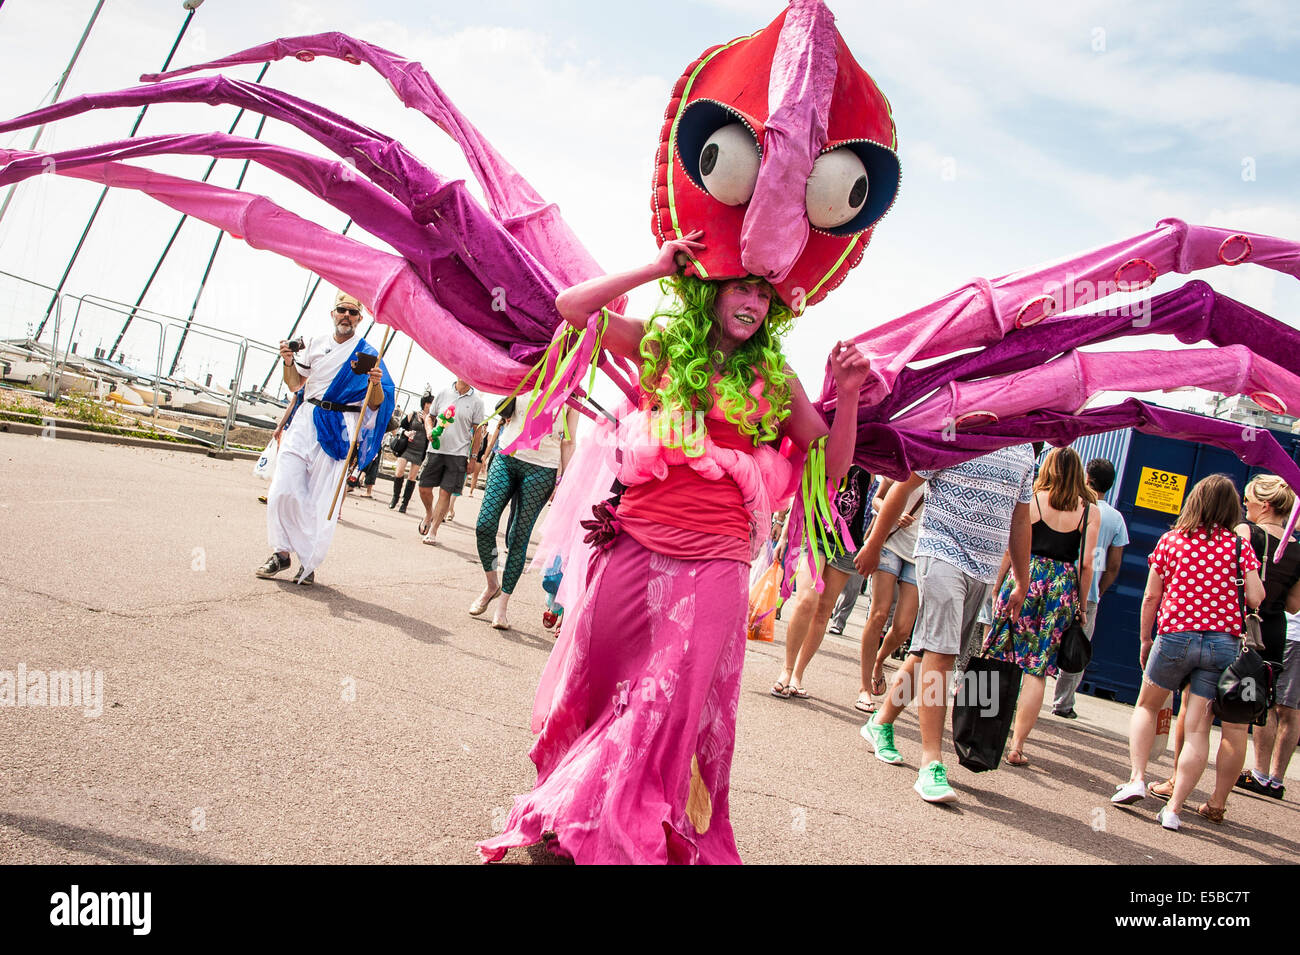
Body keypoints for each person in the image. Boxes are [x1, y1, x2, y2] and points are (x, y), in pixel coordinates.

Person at [478, 231, 870, 864]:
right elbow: (573, 309)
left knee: (666, 695)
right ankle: (580, 805)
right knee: (603, 678)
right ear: (710, 289)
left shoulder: (775, 377)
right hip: (635, 540)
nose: (754, 302)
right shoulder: (662, 345)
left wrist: (847, 394)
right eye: (742, 286)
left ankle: (616, 823)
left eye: (765, 295)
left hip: (717, 557)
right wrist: (654, 266)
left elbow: (830, 466)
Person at [856, 446, 1035, 804]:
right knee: (943, 655)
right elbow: (902, 488)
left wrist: (1021, 578)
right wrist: (874, 542)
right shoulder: (957, 430)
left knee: (927, 653)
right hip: (940, 552)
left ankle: (881, 722)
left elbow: (1019, 519)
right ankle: (931, 764)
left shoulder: (1026, 448)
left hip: (983, 570)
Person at [1111, 474, 1264, 831]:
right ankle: (1175, 809)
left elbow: (1151, 596)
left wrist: (1145, 639)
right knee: (1197, 729)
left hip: (1175, 636)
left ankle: (1136, 777)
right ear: (1231, 508)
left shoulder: (1171, 541)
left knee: (1148, 705)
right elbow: (1256, 598)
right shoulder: (1240, 547)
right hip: (1223, 644)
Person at [1151, 475, 1300, 809]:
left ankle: (1177, 781)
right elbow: (1293, 605)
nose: (1243, 506)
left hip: (1235, 631)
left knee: (1193, 709)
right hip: (1269, 639)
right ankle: (1218, 803)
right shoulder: (1298, 548)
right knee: (1238, 722)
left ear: (1265, 505)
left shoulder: (1246, 533)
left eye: (1248, 500)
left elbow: (1234, 583)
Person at [255, 291, 395, 585]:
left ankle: (307, 561)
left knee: (318, 499)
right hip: (306, 419)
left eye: (353, 312)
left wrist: (376, 382)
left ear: (359, 318)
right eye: (342, 310)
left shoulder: (365, 353)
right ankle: (280, 553)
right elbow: (295, 384)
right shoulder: (315, 344)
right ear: (333, 314)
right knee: (282, 489)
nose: (346, 316)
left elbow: (374, 403)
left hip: (339, 426)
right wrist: (288, 361)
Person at [982, 447, 1099, 767]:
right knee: (1037, 668)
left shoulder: (1033, 500)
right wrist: (1082, 605)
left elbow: (1012, 544)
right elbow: (1087, 563)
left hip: (1026, 576)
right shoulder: (1089, 511)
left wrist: (998, 584)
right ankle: (1017, 745)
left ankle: (984, 728)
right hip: (1060, 587)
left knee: (998, 655)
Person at [471, 391, 577, 631]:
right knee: (484, 525)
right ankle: (491, 585)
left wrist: (566, 482)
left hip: (542, 469)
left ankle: (502, 608)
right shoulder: (525, 374)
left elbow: (568, 441)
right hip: (507, 457)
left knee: (518, 537)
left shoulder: (573, 395)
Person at [772, 465, 872, 700]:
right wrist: (785, 535)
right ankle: (786, 670)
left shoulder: (873, 444)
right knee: (807, 600)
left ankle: (797, 675)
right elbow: (803, 490)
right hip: (814, 532)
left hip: (847, 542)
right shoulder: (828, 437)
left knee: (823, 611)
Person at [1052, 457, 1128, 718]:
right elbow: (1114, 565)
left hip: (1057, 584)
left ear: (1086, 479)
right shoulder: (1116, 518)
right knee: (1076, 647)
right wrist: (1098, 588)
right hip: (1090, 592)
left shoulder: (1071, 504)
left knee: (1043, 641)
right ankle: (1063, 704)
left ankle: (1026, 690)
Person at [855, 476, 925, 713]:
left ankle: (879, 659)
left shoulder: (951, 463)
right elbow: (876, 498)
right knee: (879, 613)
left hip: (920, 551)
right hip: (891, 543)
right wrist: (893, 513)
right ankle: (864, 688)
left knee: (904, 628)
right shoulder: (907, 458)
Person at [416, 378, 486, 545]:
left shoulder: (477, 402)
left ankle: (433, 531)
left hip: (458, 454)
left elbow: (477, 432)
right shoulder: (443, 393)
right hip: (435, 450)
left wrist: (473, 457)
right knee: (424, 488)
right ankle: (428, 513)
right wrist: (429, 430)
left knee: (445, 492)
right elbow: (429, 417)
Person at [389, 394, 432, 512]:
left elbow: (433, 435)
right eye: (430, 403)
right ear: (425, 404)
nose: (432, 406)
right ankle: (395, 497)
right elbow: (401, 427)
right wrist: (406, 433)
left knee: (412, 477)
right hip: (407, 448)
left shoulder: (432, 420)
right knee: (399, 472)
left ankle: (404, 503)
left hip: (419, 451)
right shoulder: (412, 414)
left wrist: (426, 422)